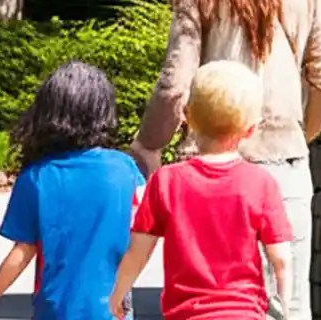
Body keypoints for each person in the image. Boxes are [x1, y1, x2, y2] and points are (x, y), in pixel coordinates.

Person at [129, 0, 321, 320]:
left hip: (210, 175)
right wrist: (295, 140)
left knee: (207, 304)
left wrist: (148, 145)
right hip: (285, 169)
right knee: (288, 307)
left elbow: (174, 87)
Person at [0, 60, 145, 320]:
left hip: (56, 310)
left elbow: (22, 251)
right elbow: (142, 236)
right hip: (114, 310)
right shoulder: (125, 169)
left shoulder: (37, 176)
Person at [111, 60, 293, 320]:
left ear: (187, 116)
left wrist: (117, 297)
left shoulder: (166, 182)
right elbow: (281, 260)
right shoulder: (261, 183)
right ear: (251, 130)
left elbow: (137, 253)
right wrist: (285, 309)